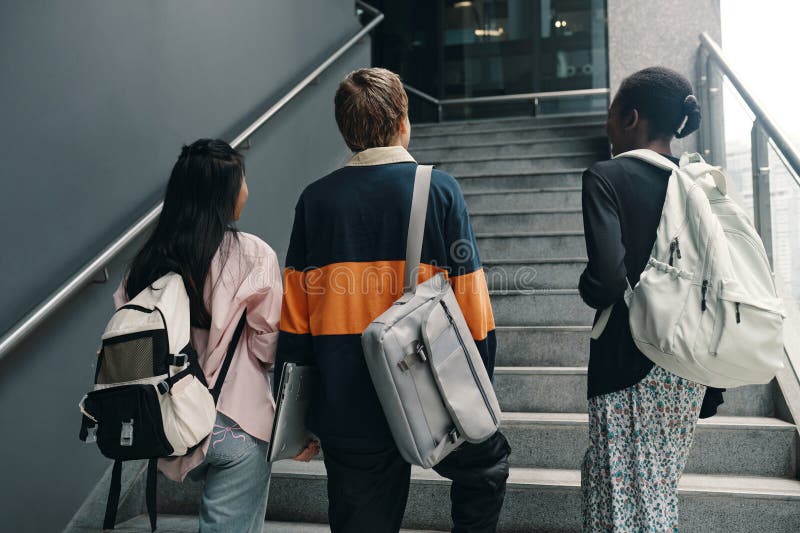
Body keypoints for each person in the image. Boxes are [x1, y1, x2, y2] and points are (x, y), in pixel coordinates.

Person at [275, 67, 510, 533]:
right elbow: (473, 304)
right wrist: (476, 383)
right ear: (404, 120)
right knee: (485, 468)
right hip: (432, 388)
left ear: (345, 131)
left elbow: (295, 318)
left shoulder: (315, 201)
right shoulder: (439, 190)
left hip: (345, 398)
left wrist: (300, 413)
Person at [578, 66, 724, 531]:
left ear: (631, 118)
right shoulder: (697, 183)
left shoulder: (606, 177)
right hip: (687, 366)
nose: (606, 127)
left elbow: (604, 279)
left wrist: (585, 286)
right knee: (655, 493)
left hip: (629, 357)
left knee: (626, 507)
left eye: (610, 116)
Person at [114, 139, 282, 533]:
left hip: (164, 424)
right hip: (232, 422)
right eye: (242, 181)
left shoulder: (145, 262)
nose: (246, 190)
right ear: (224, 194)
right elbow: (267, 344)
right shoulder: (253, 255)